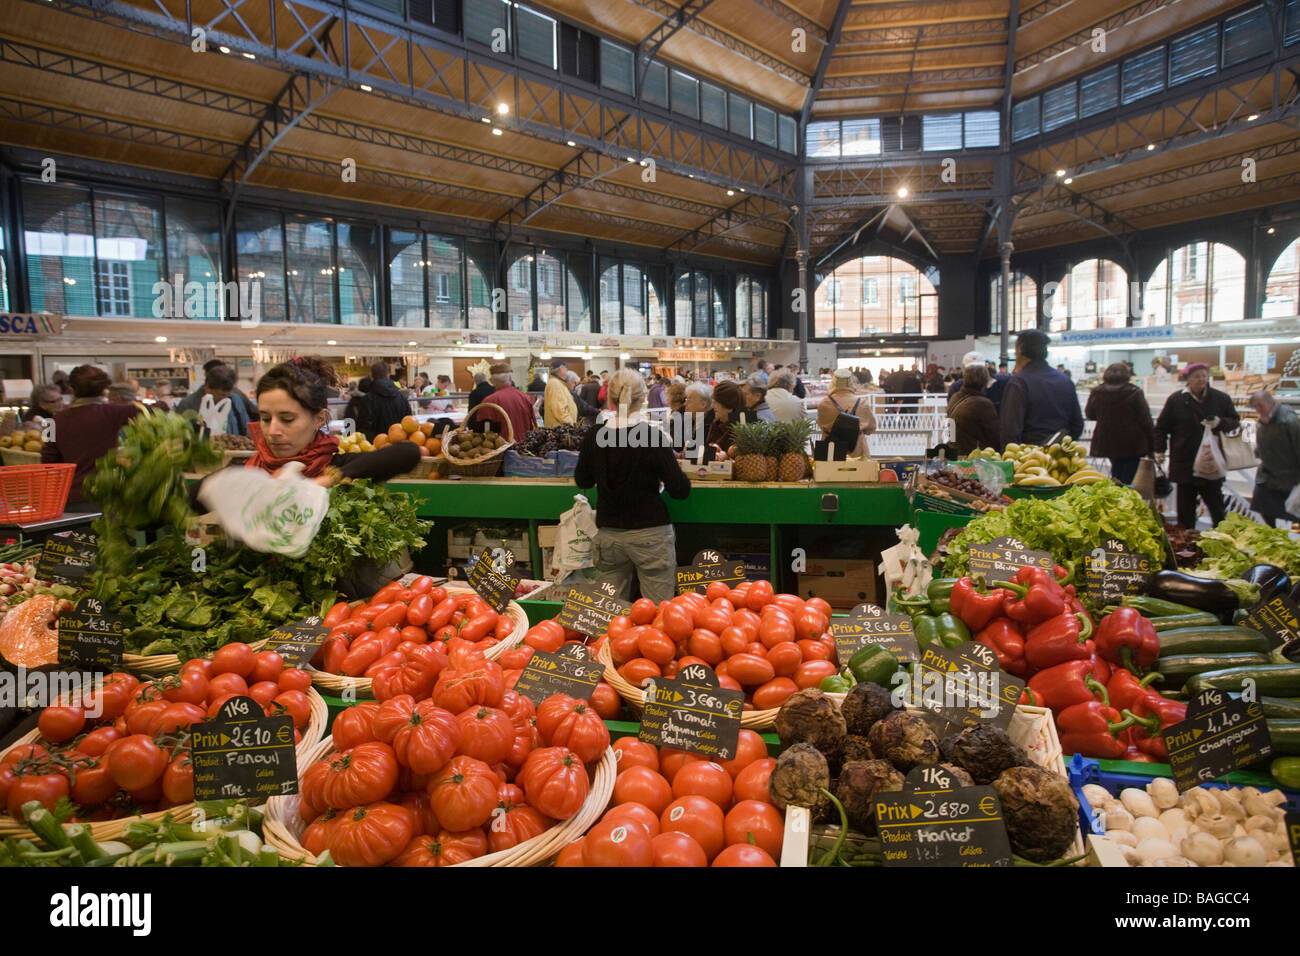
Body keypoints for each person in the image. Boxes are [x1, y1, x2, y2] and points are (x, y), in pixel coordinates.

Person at [574, 369, 689, 602]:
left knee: (609, 615)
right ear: (642, 397)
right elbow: (680, 490)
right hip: (650, 534)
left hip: (609, 535)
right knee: (657, 616)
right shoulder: (651, 436)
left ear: (609, 398)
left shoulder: (594, 434)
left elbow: (583, 481)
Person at [40, 364, 142, 508]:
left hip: (69, 497)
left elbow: (48, 462)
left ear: (72, 388)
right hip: (106, 494)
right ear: (104, 389)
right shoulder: (113, 413)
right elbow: (161, 408)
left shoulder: (51, 421)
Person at [1154, 363, 1240, 529]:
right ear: (1188, 379)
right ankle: (1186, 546)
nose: (1201, 379)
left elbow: (1234, 422)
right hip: (1184, 461)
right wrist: (1160, 449)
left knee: (1217, 508)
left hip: (1211, 462)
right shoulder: (1176, 400)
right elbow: (1162, 427)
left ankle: (1222, 541)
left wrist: (1220, 422)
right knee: (1185, 511)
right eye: (1196, 376)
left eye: (1204, 376)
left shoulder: (1221, 398)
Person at [999, 330, 1083, 446]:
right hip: (1060, 455)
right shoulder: (1065, 380)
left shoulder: (1019, 382)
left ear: (1020, 350)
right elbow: (1077, 424)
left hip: (1029, 458)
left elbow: (1010, 430)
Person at [1086, 362, 1154, 485]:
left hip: (1107, 440)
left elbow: (1090, 414)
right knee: (1129, 475)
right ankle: (1125, 497)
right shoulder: (1134, 392)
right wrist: (1152, 444)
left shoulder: (1097, 392)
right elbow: (1145, 419)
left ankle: (1117, 494)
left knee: (1116, 470)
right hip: (1132, 442)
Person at [1248, 391, 1300, 527]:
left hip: (1289, 476)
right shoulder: (1263, 423)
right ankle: (1274, 535)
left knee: (1293, 512)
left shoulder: (1289, 421)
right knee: (1264, 507)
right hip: (1268, 475)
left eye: (1260, 405)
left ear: (1270, 402)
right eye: (1255, 407)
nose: (1258, 410)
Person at [176, 364, 252, 436]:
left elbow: (246, 429)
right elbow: (180, 435)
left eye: (228, 394)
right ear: (207, 388)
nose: (225, 398)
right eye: (221, 394)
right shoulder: (188, 405)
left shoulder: (234, 400)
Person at [816, 368, 876, 460]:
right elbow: (871, 429)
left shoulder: (824, 404)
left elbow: (821, 424)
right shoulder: (862, 403)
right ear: (851, 382)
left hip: (831, 455)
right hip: (858, 455)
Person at [473, 363, 539, 443]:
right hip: (524, 446)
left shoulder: (489, 401)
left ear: (492, 381)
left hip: (501, 448)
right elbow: (533, 424)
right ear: (510, 379)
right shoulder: (524, 397)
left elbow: (482, 430)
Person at [948, 363, 1002, 457]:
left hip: (955, 452)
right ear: (984, 380)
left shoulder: (955, 397)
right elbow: (994, 435)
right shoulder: (983, 404)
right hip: (975, 457)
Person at [365, 362, 411, 437]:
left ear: (371, 377)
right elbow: (409, 422)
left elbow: (364, 427)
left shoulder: (367, 399)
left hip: (377, 444)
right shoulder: (401, 398)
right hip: (400, 443)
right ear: (388, 375)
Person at [707, 380, 745, 450]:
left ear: (729, 405)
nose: (712, 406)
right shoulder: (716, 423)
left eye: (716, 402)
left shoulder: (740, 432)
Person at [544, 359, 577, 427]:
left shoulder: (560, 383)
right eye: (566, 368)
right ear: (561, 369)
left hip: (563, 427)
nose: (567, 370)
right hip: (560, 428)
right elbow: (559, 410)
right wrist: (571, 425)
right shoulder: (555, 384)